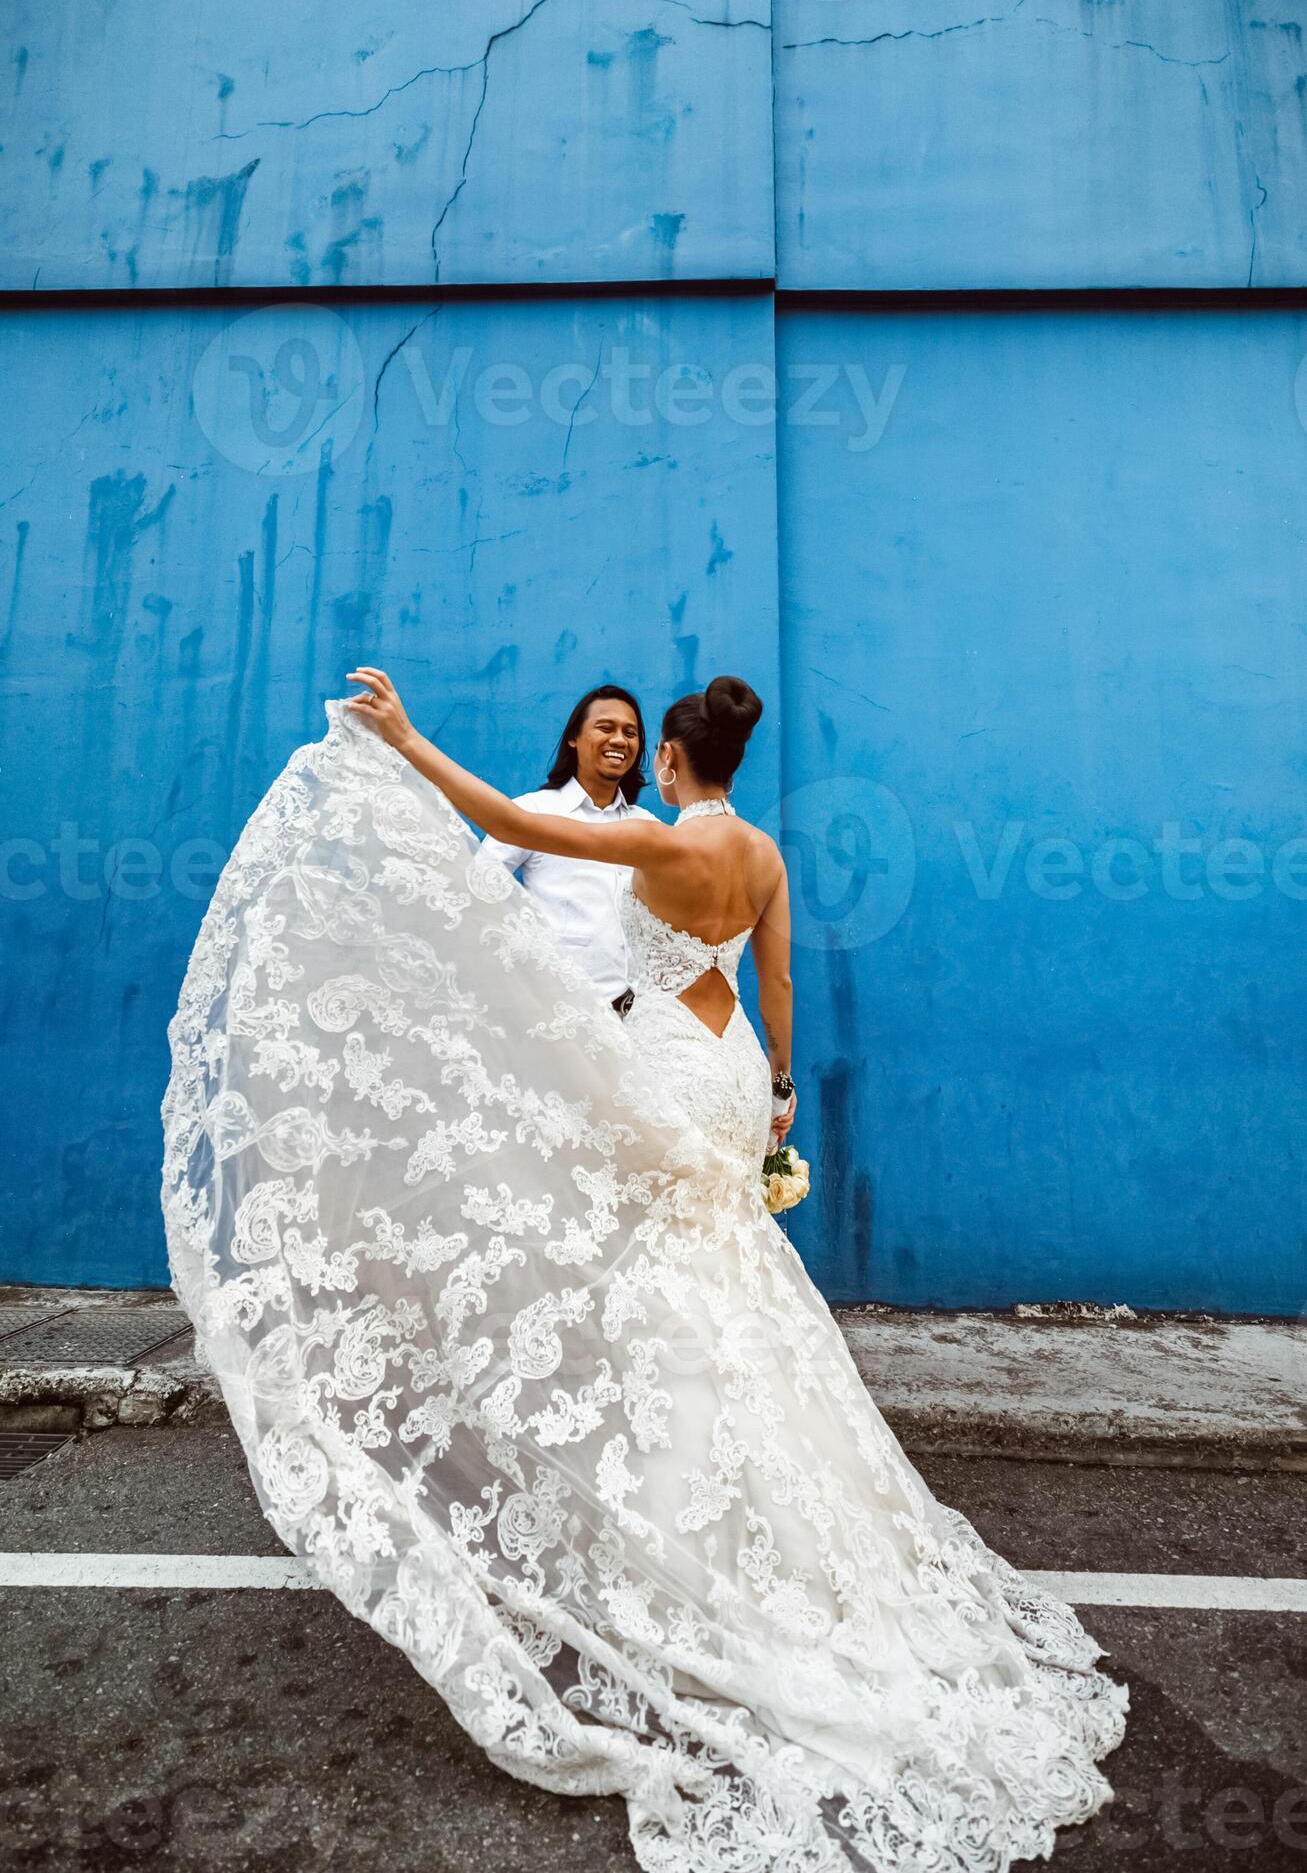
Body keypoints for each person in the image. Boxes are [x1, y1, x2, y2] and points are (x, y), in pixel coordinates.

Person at [160, 666, 1127, 1873]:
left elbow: (512, 823)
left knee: (656, 1281)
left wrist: (408, 739)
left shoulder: (666, 848)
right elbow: (777, 979)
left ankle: (669, 1508)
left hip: (666, 1056)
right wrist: (779, 1093)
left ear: (671, 760)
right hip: (732, 1068)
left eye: (646, 751)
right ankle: (734, 1490)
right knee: (722, 1276)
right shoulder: (763, 855)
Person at [474, 685, 659, 1017]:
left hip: (640, 1018)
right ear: (573, 737)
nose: (620, 740)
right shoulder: (532, 813)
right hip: (562, 1017)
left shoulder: (646, 826)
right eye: (606, 728)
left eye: (631, 733)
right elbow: (476, 891)